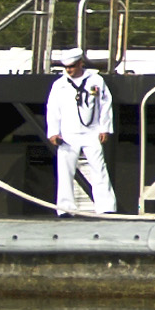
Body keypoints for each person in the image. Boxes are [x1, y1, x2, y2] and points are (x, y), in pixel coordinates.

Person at [46, 54, 117, 217]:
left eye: (72, 66)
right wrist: (53, 132)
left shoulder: (96, 80)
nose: (69, 70)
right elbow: (53, 109)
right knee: (65, 171)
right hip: (68, 134)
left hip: (91, 131)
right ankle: (66, 208)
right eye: (66, 67)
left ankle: (106, 207)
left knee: (99, 169)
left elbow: (105, 104)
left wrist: (104, 128)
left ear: (80, 63)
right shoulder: (60, 85)